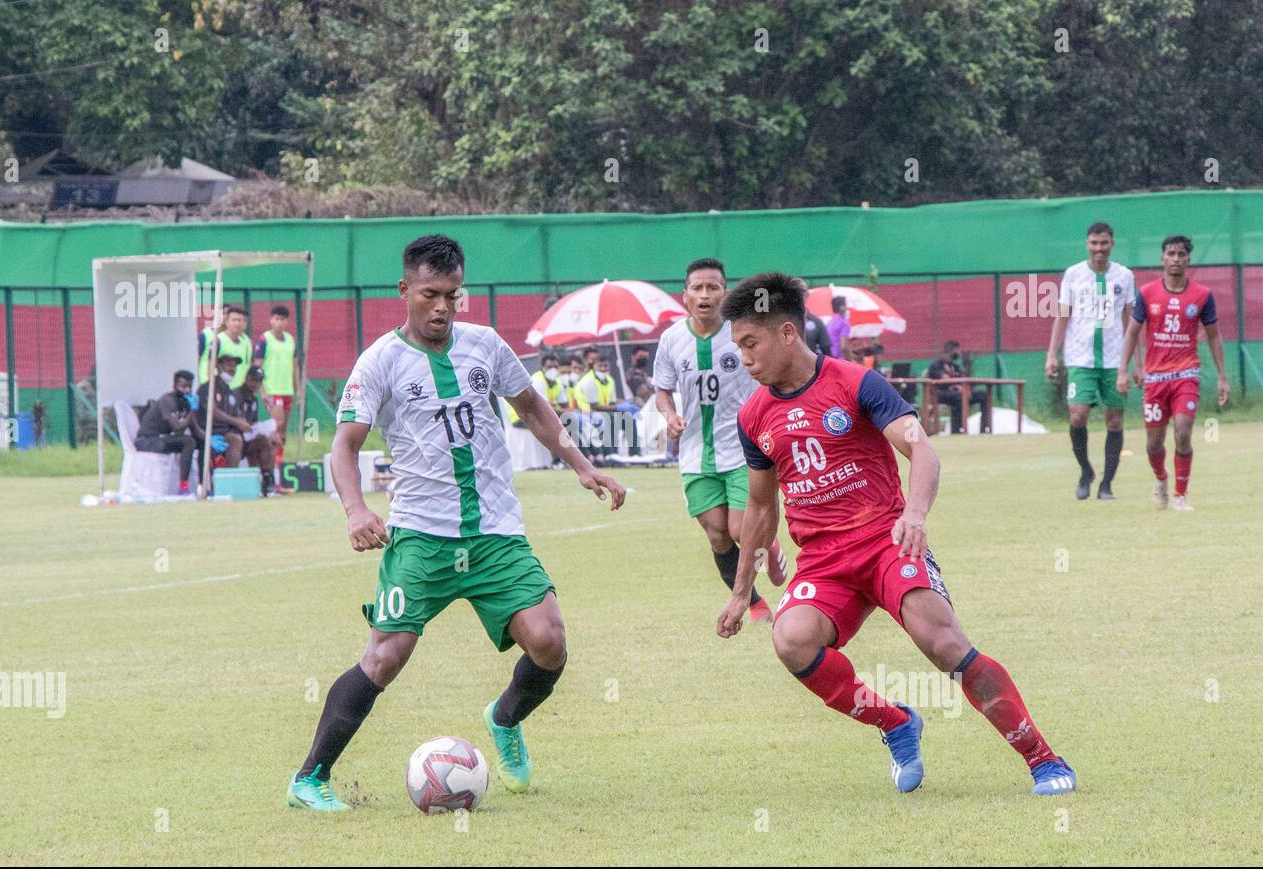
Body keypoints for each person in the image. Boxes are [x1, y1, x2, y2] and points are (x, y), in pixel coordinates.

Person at [287, 234, 625, 812]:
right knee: (385, 657)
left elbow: (533, 409)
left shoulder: (486, 345)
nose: (442, 307)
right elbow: (343, 447)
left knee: (548, 643)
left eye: (452, 294)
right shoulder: (380, 362)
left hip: (494, 532)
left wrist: (583, 467)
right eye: (429, 295)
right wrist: (356, 509)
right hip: (421, 537)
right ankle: (310, 779)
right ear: (404, 292)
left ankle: (504, 718)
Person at [717, 271, 1076, 796]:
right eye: (738, 347)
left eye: (750, 343)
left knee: (942, 640)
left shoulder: (857, 383)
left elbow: (921, 447)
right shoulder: (754, 416)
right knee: (790, 640)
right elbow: (758, 504)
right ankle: (895, 723)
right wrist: (740, 590)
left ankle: (1045, 760)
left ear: (788, 333)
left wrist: (916, 513)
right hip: (823, 559)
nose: (743, 359)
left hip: (887, 539)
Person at [653, 257, 787, 624]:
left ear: (724, 293)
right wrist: (669, 416)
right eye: (697, 288)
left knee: (738, 529)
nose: (705, 294)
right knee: (717, 536)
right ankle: (756, 604)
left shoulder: (743, 331)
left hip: (745, 447)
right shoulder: (671, 339)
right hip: (695, 453)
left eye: (713, 287)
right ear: (685, 296)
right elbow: (662, 391)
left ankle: (769, 546)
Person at [1118, 235, 1229, 511]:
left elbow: (1214, 336)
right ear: (1162, 259)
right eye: (1171, 254)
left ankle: (1180, 495)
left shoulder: (1202, 296)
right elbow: (1132, 332)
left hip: (1186, 374)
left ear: (1188, 259)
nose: (1176, 259)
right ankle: (1161, 478)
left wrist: (1223, 376)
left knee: (1183, 431)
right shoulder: (1146, 293)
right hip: (1155, 379)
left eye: (1181, 254)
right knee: (1154, 444)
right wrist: (1125, 369)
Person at [1046, 222, 1137, 500]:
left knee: (1114, 420)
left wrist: (1138, 363)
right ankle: (1085, 471)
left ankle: (1107, 484)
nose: (1099, 249)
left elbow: (1132, 322)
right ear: (1087, 244)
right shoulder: (1074, 274)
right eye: (1094, 243)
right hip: (1079, 357)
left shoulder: (1124, 276)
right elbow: (1062, 316)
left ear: (1112, 244)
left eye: (1104, 243)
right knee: (1078, 414)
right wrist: (1052, 354)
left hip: (1114, 360)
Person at [134, 369, 203, 494]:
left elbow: (194, 429)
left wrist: (208, 440)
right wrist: (192, 411)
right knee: (188, 442)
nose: (187, 390)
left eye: (189, 386)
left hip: (163, 438)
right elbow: (177, 428)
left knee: (199, 442)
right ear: (175, 386)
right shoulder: (168, 400)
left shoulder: (186, 403)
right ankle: (183, 487)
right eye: (183, 386)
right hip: (148, 440)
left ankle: (203, 486)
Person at [253, 304, 298, 466]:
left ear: (287, 322)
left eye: (283, 319)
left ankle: (279, 461)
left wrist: (297, 389)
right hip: (272, 390)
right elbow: (257, 366)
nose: (279, 323)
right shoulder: (265, 339)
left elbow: (295, 366)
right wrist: (263, 390)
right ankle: (270, 465)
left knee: (283, 430)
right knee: (276, 425)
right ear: (271, 320)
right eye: (276, 319)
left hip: (288, 390)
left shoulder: (290, 340)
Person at [234, 365, 284, 496]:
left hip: (249, 437)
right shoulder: (236, 395)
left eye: (259, 381)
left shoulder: (254, 400)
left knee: (269, 442)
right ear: (246, 378)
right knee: (263, 441)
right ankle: (265, 481)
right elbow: (237, 419)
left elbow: (253, 423)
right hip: (236, 435)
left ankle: (266, 481)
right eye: (254, 380)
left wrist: (266, 430)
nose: (256, 384)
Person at [199, 352, 254, 469]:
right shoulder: (208, 387)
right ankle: (230, 478)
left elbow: (237, 415)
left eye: (234, 366)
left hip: (226, 431)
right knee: (235, 439)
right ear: (218, 367)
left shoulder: (230, 391)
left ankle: (264, 479)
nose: (232, 369)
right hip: (209, 432)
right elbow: (213, 412)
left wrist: (243, 422)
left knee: (260, 440)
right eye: (228, 365)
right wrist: (236, 421)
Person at [926, 339, 991, 434]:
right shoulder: (936, 365)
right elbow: (945, 379)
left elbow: (964, 379)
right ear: (950, 351)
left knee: (983, 395)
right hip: (940, 394)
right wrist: (959, 387)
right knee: (959, 397)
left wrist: (967, 366)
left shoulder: (955, 366)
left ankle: (984, 429)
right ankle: (957, 431)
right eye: (957, 350)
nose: (958, 353)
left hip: (958, 393)